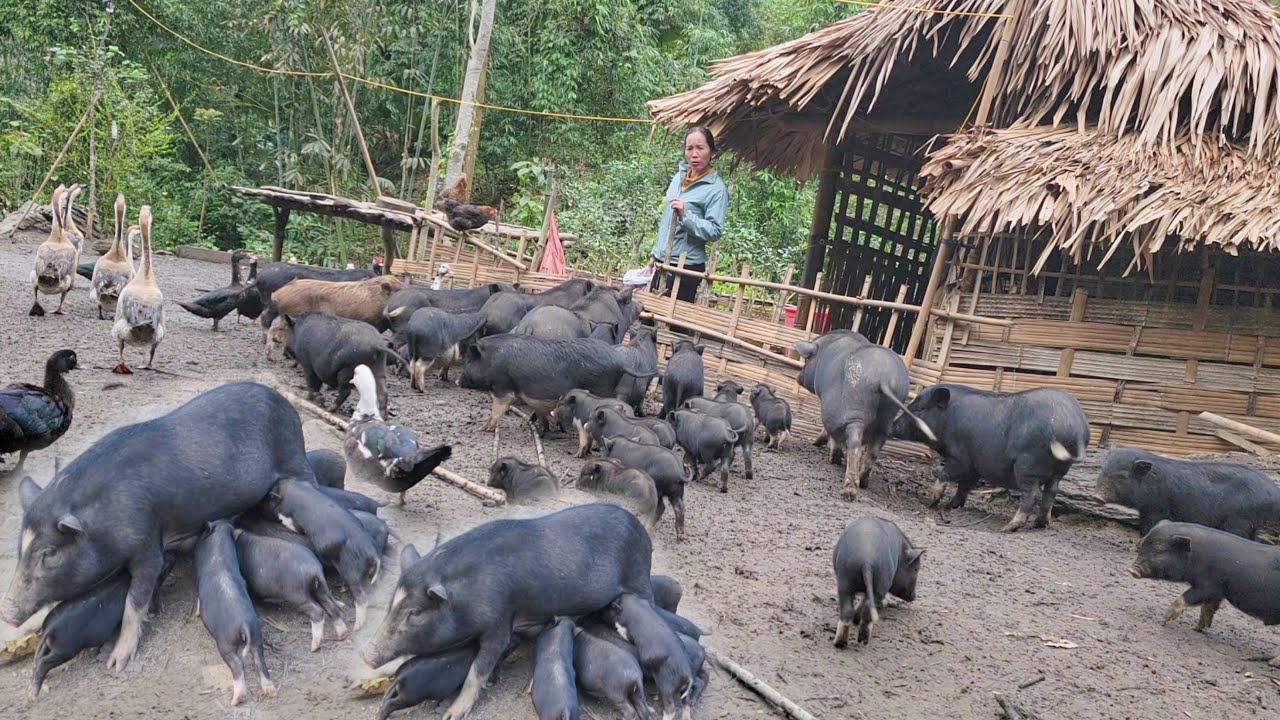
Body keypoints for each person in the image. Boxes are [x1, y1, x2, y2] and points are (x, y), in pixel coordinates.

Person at [648, 126, 729, 304]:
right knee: (649, 315)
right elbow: (666, 221)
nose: (694, 154)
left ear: (712, 152)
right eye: (689, 148)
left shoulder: (717, 190)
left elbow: (715, 230)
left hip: (686, 267)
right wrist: (655, 254)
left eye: (700, 148)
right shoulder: (678, 178)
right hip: (663, 261)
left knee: (673, 319)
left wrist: (686, 216)